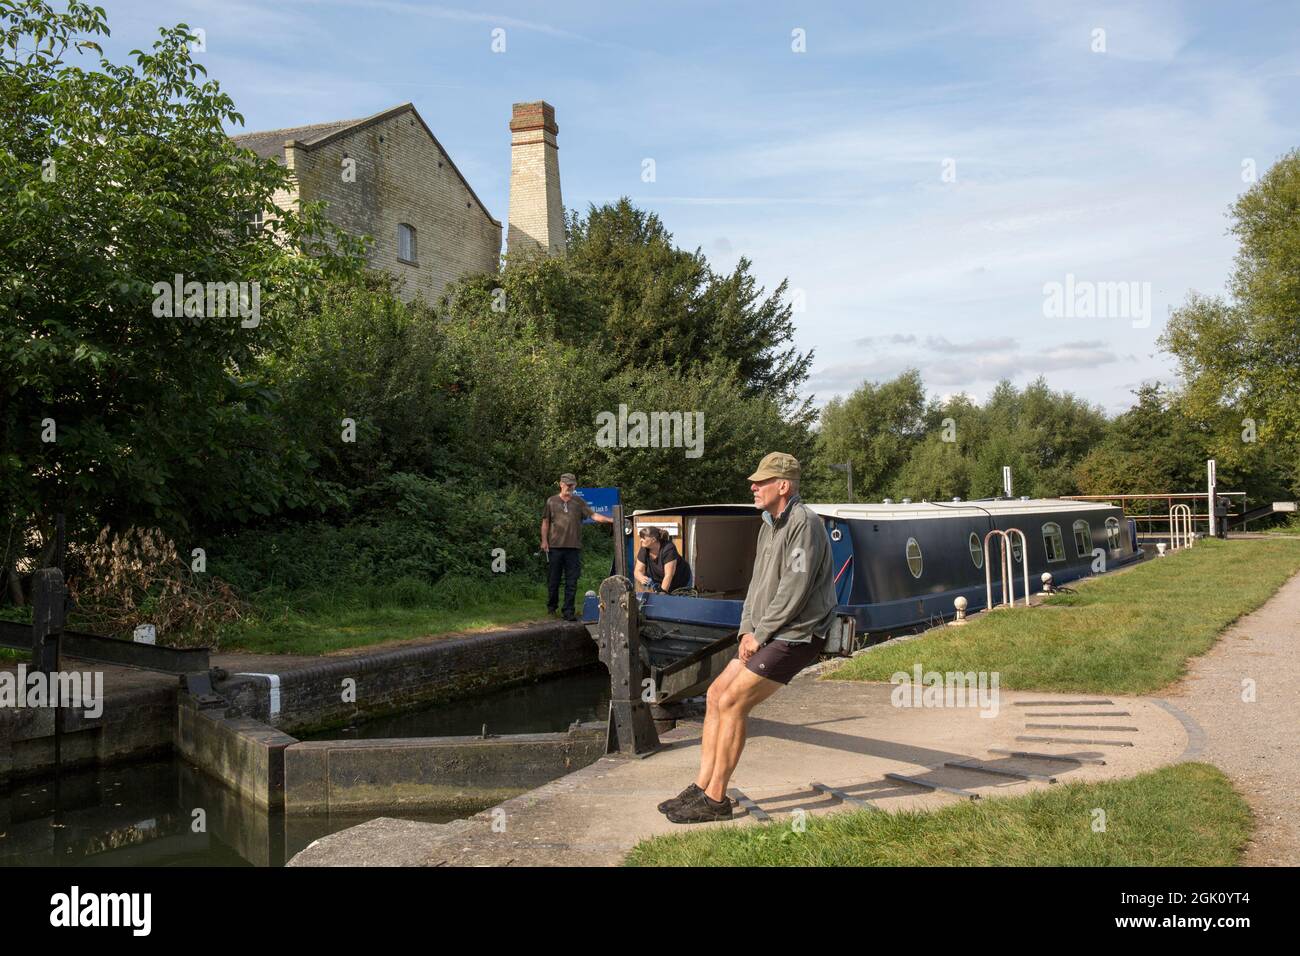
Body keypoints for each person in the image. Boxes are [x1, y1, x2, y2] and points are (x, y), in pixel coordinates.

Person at [657, 452, 838, 824]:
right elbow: (757, 586)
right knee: (714, 695)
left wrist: (762, 632)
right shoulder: (768, 524)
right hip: (767, 631)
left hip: (797, 634)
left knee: (734, 702)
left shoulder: (805, 524)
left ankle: (717, 799)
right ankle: (702, 785)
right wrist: (746, 629)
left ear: (783, 486)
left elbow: (795, 588)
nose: (753, 487)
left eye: (761, 482)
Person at [541, 473, 613, 621]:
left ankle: (568, 611)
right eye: (568, 484)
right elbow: (545, 522)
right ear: (561, 484)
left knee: (571, 581)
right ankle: (551, 608)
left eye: (572, 484)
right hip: (555, 547)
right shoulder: (551, 501)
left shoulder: (579, 502)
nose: (570, 487)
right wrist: (544, 541)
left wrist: (612, 520)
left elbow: (594, 516)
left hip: (573, 548)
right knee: (553, 580)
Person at [635, 526, 693, 593]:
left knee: (680, 602)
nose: (641, 540)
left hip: (681, 581)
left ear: (653, 540)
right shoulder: (644, 548)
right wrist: (641, 577)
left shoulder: (668, 548)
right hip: (660, 582)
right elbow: (637, 571)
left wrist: (662, 593)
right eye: (640, 538)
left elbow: (669, 575)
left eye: (643, 538)